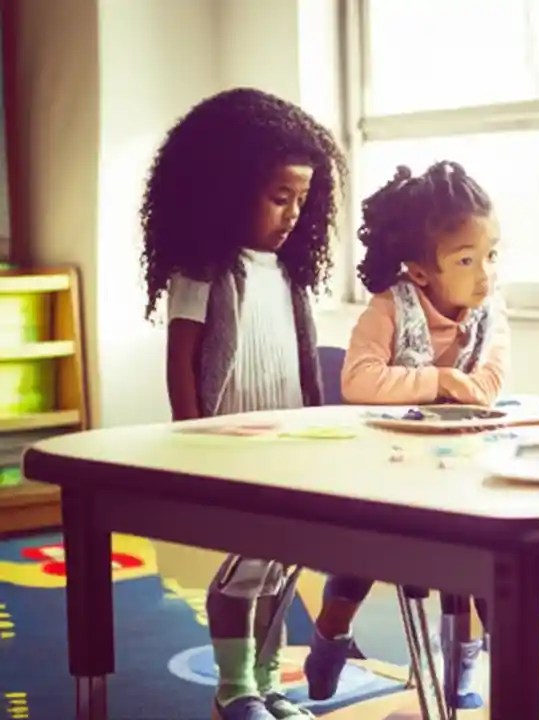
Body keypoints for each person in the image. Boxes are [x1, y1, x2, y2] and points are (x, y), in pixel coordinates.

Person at [142, 87, 346, 720]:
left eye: (300, 200)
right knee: (244, 567)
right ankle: (234, 689)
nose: (290, 213)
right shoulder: (204, 268)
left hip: (287, 443)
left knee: (281, 567)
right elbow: (182, 357)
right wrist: (190, 434)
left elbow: (302, 356)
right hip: (232, 446)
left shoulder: (288, 273)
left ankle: (267, 682)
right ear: (228, 189)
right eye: (277, 197)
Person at [303, 161, 509, 710]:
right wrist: (439, 379)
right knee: (363, 559)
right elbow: (357, 379)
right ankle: (330, 636)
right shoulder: (390, 307)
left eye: (492, 255)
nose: (485, 275)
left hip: (459, 469)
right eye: (466, 261)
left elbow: (487, 384)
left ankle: (469, 663)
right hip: (385, 470)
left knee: (472, 567)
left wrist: (461, 387)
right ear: (421, 272)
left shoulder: (490, 313)